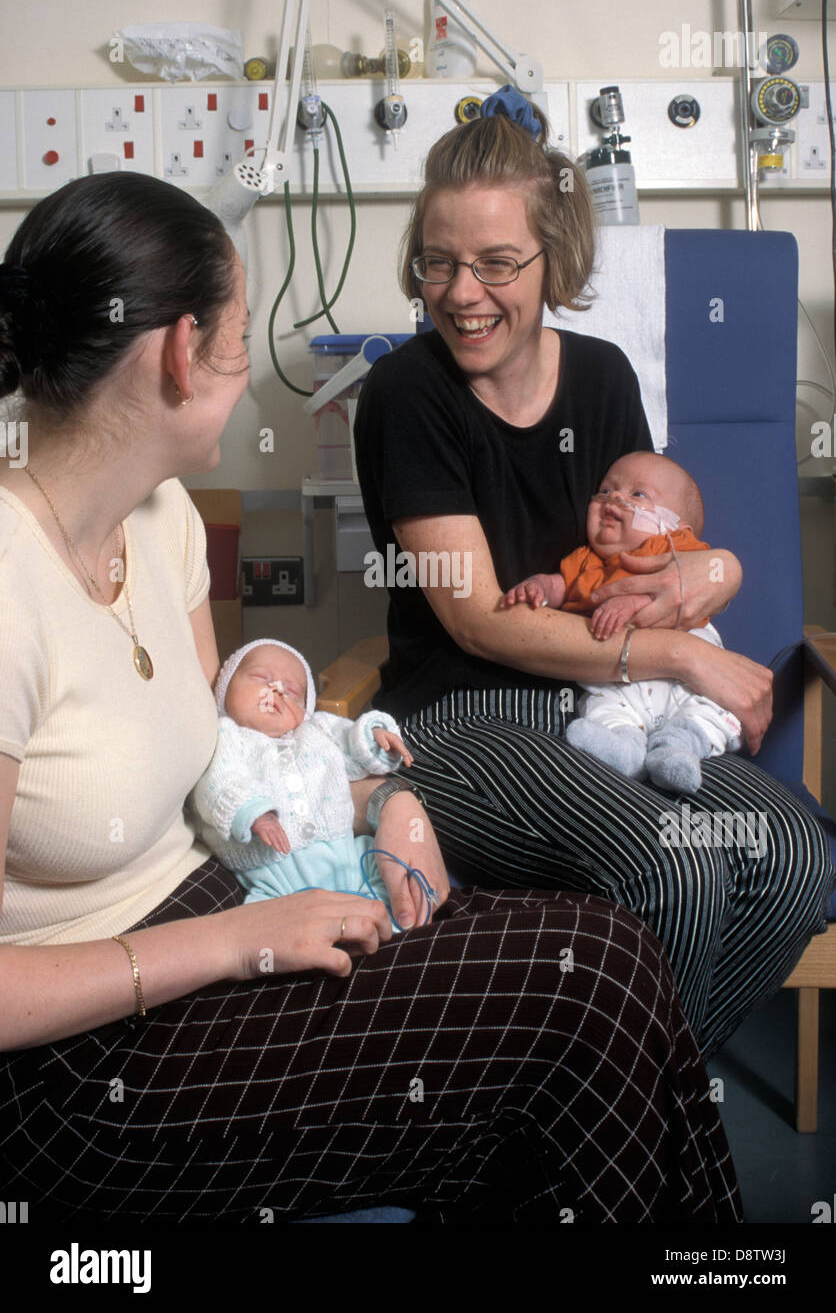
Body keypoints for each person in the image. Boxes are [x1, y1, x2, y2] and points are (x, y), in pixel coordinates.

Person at [0, 170, 743, 1224]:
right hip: (82, 1067)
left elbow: (234, 756)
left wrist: (378, 801)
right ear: (179, 351)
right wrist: (230, 945)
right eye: (242, 331)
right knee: (587, 993)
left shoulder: (156, 519)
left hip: (235, 893)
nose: (250, 360)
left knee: (601, 952)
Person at [354, 87, 835, 1059]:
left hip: (596, 706)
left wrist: (719, 567)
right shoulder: (407, 395)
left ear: (556, 261)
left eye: (495, 263)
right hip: (458, 719)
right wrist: (683, 656)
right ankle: (628, 1146)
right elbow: (479, 622)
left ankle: (625, 1112)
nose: (461, 292)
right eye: (438, 262)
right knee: (676, 867)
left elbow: (652, 550)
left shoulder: (605, 377)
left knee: (788, 856)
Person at [501, 452, 743, 793]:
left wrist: (635, 601)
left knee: (713, 708)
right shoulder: (585, 560)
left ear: (673, 524)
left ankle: (681, 746)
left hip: (684, 677)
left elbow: (687, 588)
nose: (614, 498)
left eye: (638, 495)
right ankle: (623, 748)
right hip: (617, 677)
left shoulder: (675, 548)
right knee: (599, 704)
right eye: (605, 490)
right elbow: (562, 584)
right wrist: (539, 586)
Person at [192, 638, 438, 925]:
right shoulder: (227, 737)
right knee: (263, 924)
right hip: (274, 874)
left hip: (345, 856)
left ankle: (400, 924)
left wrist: (374, 738)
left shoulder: (315, 730)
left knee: (387, 871)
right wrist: (254, 813)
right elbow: (217, 783)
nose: (277, 690)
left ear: (305, 710)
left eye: (293, 693)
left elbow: (351, 746)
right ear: (224, 691)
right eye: (262, 678)